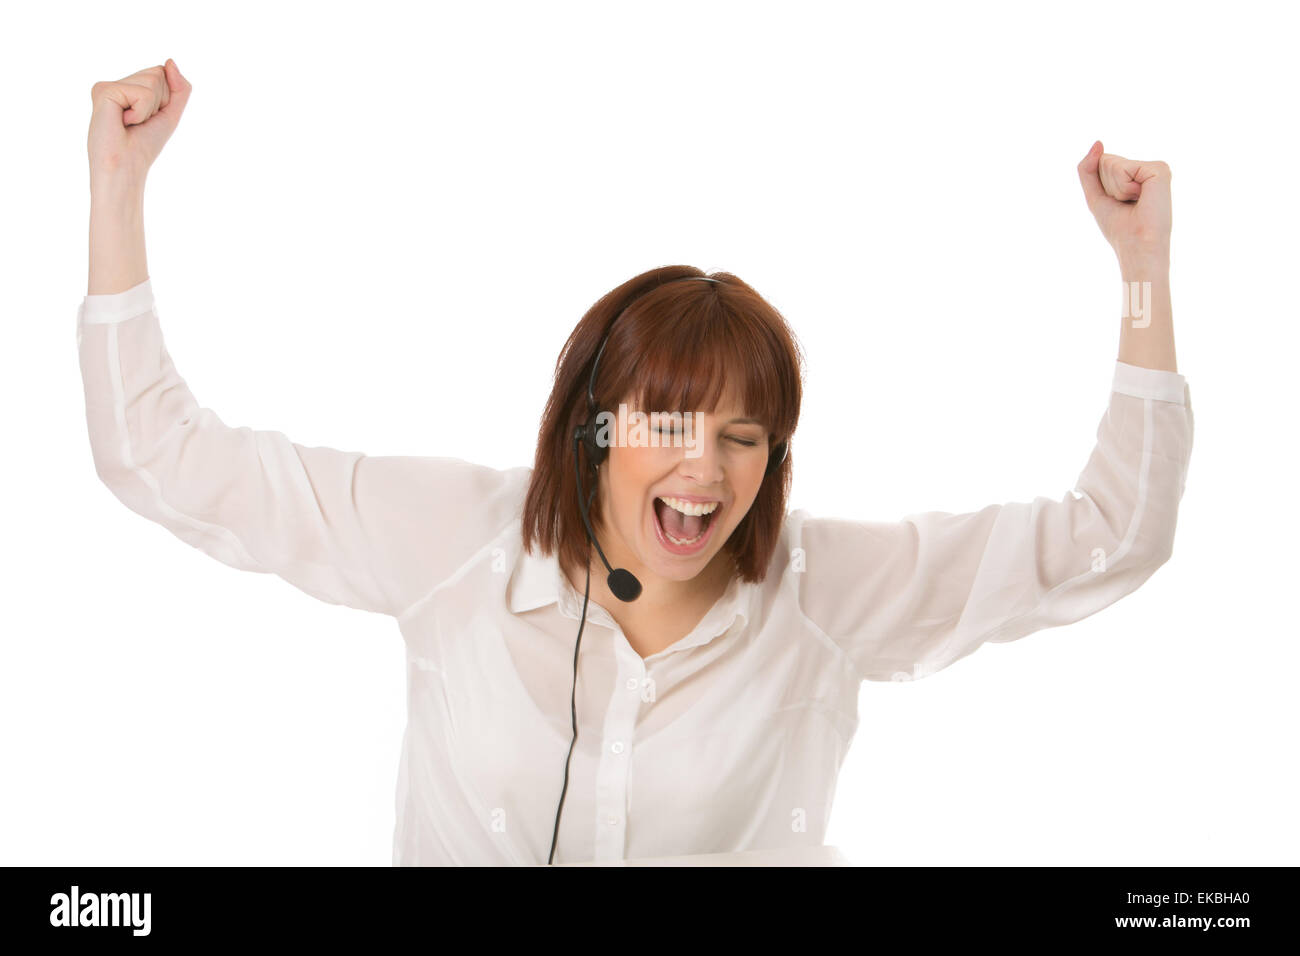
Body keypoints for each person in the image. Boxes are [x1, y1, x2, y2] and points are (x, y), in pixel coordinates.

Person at [80, 61, 1194, 866]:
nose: (705, 468)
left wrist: (1141, 268)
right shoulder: (446, 537)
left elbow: (1115, 530)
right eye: (667, 424)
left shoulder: (828, 592)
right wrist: (117, 185)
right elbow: (157, 454)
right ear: (591, 429)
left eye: (743, 436)